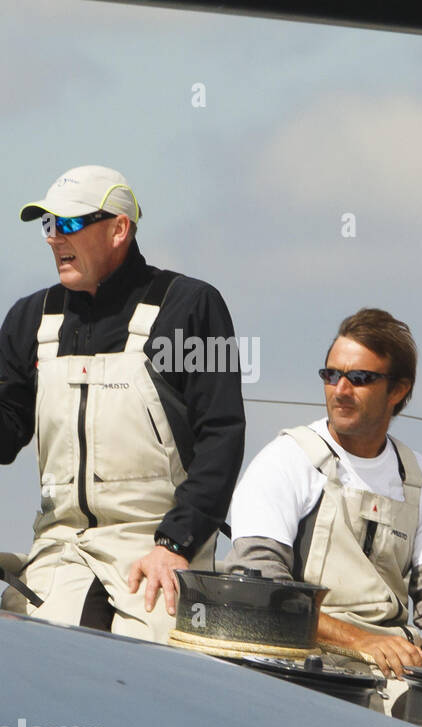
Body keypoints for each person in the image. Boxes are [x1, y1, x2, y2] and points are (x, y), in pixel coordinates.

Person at [0, 165, 244, 640]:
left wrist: (176, 543)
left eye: (68, 224)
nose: (53, 239)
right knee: (35, 663)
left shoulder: (193, 306)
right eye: (48, 226)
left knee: (150, 677)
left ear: (118, 229)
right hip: (59, 546)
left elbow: (223, 435)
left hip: (158, 547)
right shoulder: (29, 317)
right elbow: (8, 428)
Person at [227, 309, 422, 699]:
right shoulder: (286, 460)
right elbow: (261, 591)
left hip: (397, 666)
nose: (340, 389)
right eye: (331, 375)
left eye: (360, 378)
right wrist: (361, 641)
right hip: (299, 665)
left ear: (399, 390)